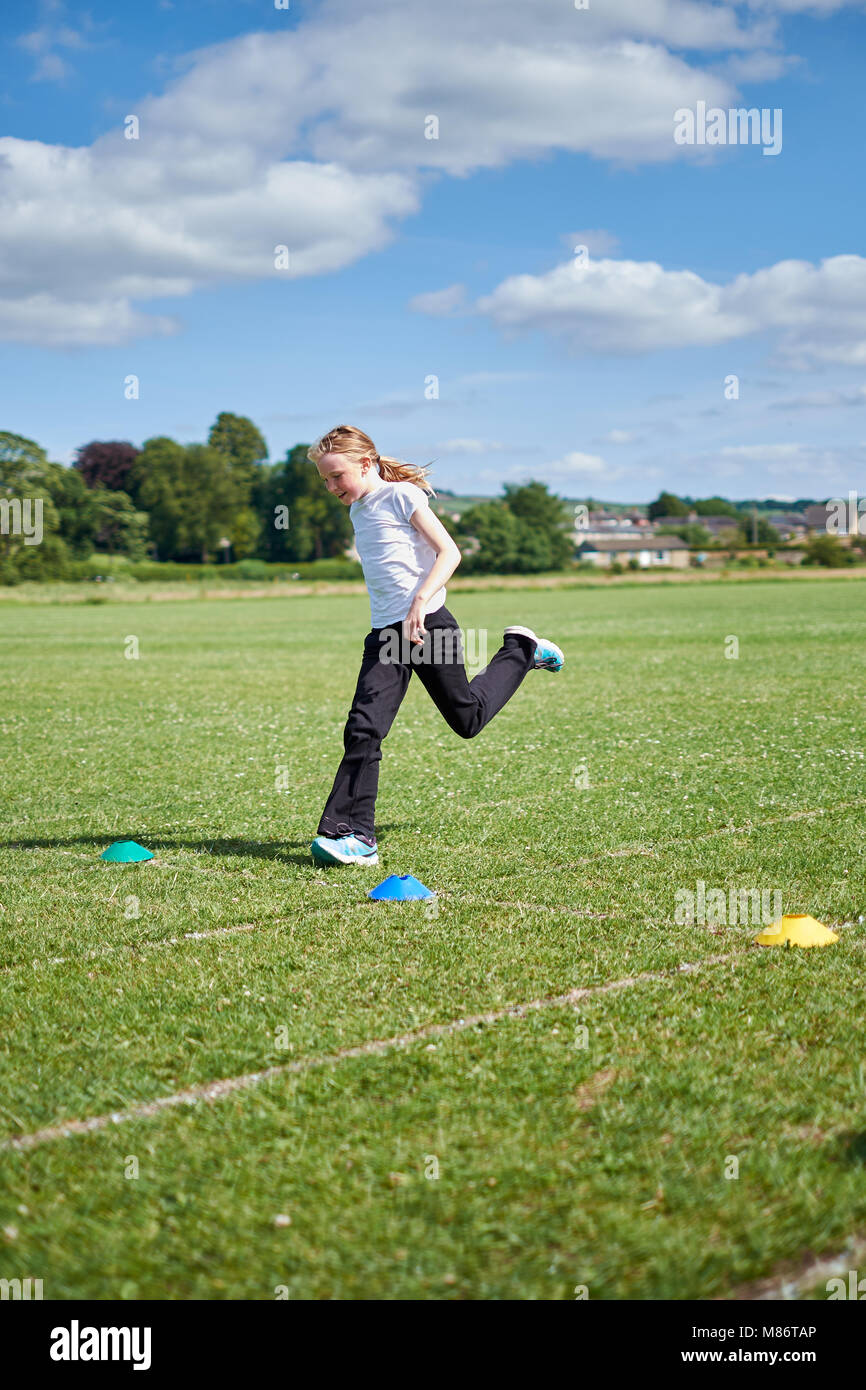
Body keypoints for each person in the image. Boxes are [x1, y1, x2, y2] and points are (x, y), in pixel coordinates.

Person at [307, 425, 565, 866]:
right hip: (387, 635)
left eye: (337, 477)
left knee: (467, 718)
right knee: (364, 726)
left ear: (365, 464)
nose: (331, 487)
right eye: (325, 480)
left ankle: (521, 649)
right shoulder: (358, 511)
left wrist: (419, 603)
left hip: (428, 627)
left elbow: (450, 552)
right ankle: (354, 836)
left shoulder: (403, 496)